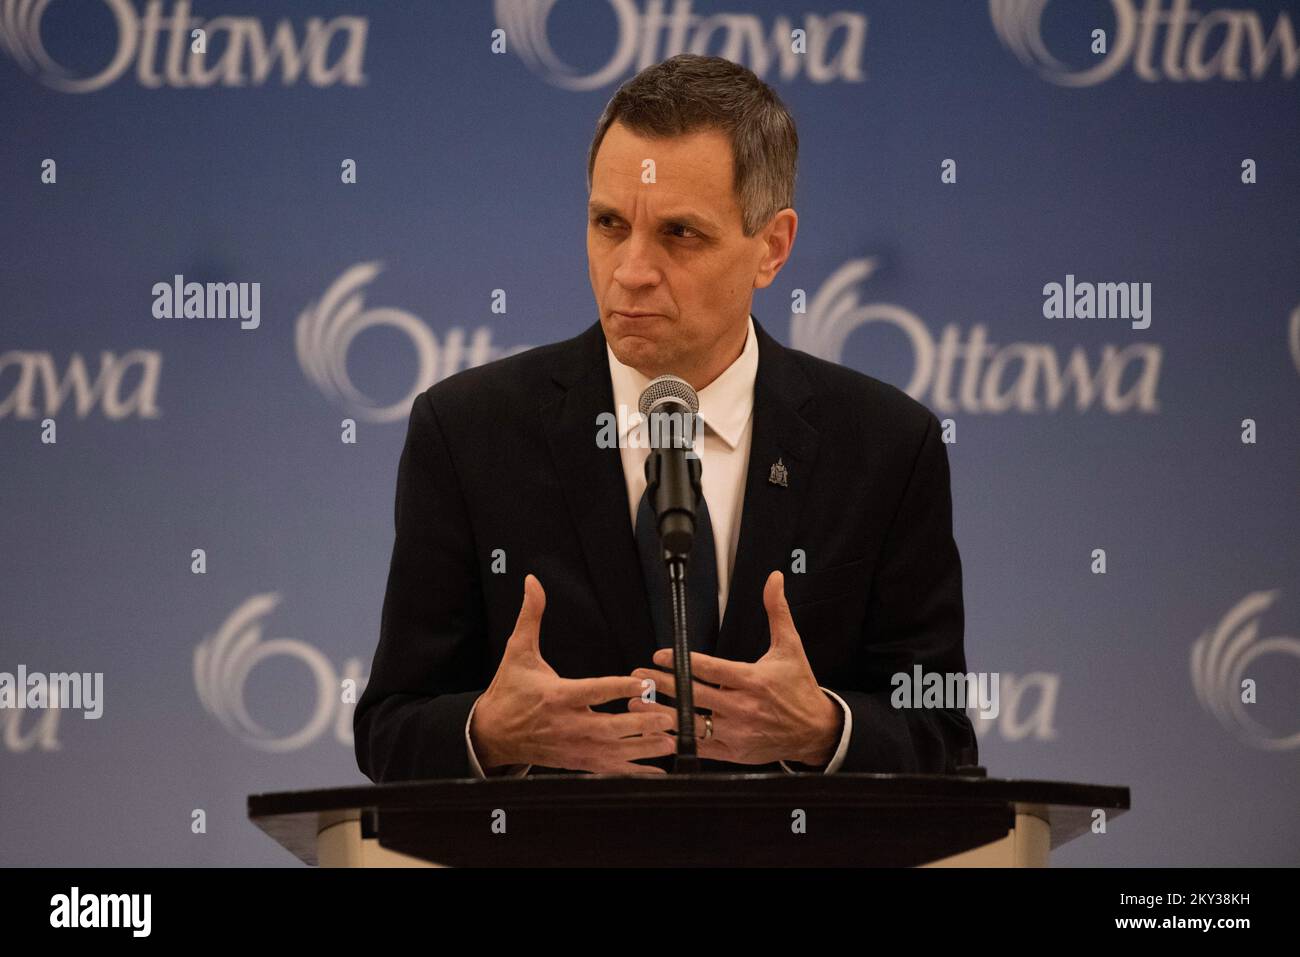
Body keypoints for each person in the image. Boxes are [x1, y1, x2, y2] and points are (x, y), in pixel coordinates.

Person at [354, 53, 977, 780]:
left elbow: (941, 735)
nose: (631, 269)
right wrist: (492, 732)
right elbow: (390, 725)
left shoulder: (886, 447)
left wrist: (823, 729)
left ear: (772, 247)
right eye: (609, 223)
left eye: (680, 233)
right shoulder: (467, 433)